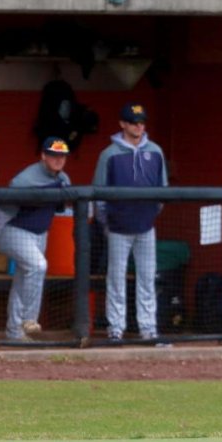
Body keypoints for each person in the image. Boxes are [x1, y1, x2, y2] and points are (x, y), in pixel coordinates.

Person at [93, 102, 168, 342]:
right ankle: (116, 328)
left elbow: (162, 190)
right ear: (123, 124)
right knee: (116, 279)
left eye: (141, 122)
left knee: (147, 278)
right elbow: (98, 194)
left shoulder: (155, 151)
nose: (139, 126)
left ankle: (148, 328)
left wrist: (150, 215)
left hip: (146, 227)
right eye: (134, 122)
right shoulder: (109, 154)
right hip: (117, 227)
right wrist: (107, 222)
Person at [0, 137, 71, 341]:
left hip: (39, 234)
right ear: (43, 156)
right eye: (53, 155)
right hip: (12, 230)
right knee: (38, 266)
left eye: (62, 156)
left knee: (23, 279)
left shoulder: (64, 179)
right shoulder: (24, 179)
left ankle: (14, 332)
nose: (58, 160)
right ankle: (29, 318)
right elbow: (3, 209)